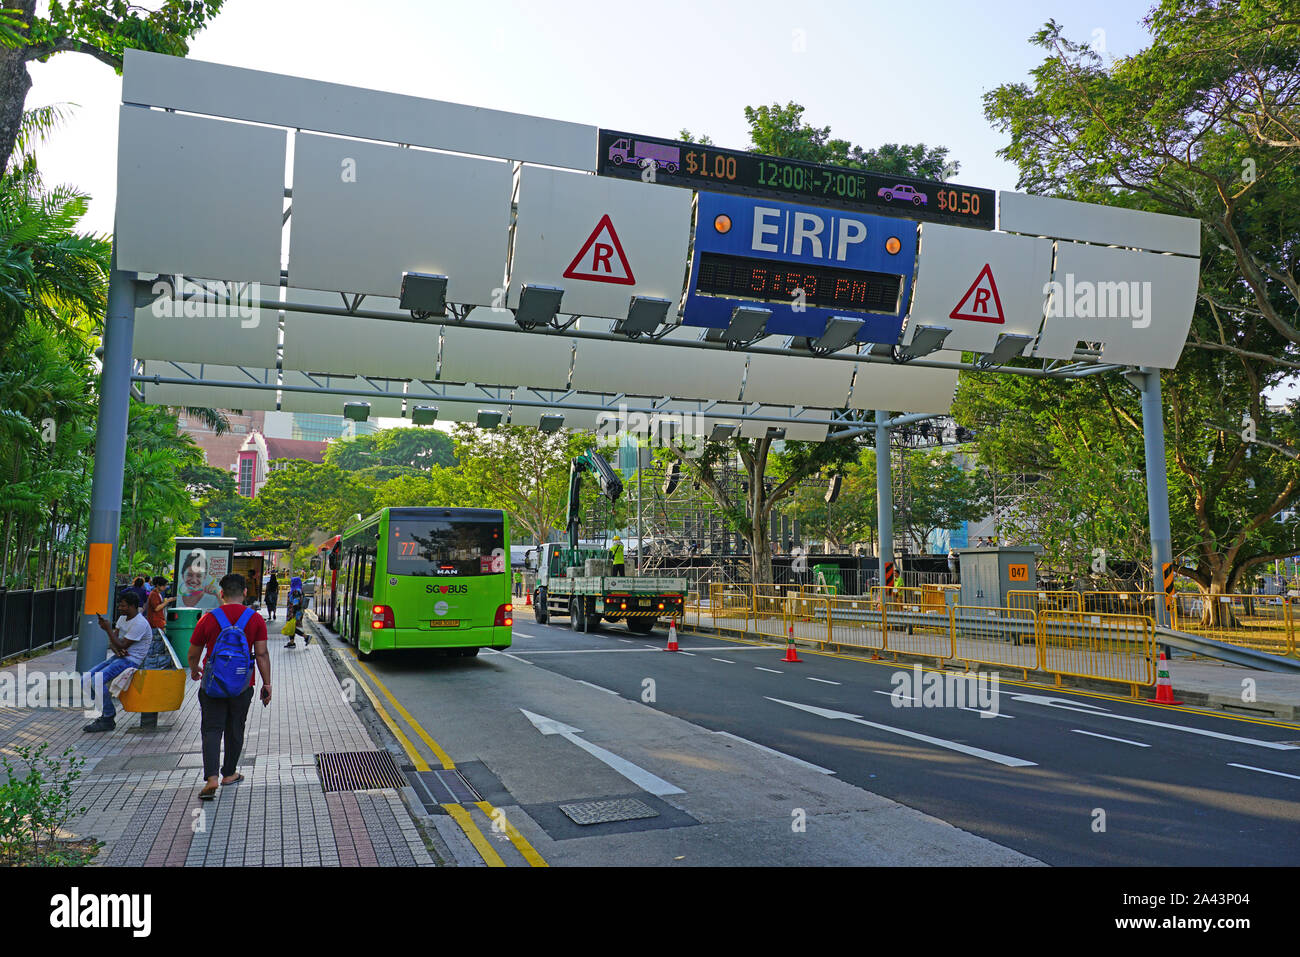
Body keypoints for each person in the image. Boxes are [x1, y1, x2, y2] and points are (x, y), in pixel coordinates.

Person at [188, 573, 271, 800]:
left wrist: (195, 670)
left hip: (212, 684)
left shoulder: (208, 619)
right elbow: (261, 654)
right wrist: (268, 684)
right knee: (236, 727)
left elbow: (194, 652)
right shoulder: (255, 619)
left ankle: (212, 778)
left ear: (221, 594)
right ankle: (229, 773)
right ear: (245, 592)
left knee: (212, 729)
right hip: (243, 685)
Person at [83, 591, 153, 732]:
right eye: (120, 605)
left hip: (132, 660)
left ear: (133, 606)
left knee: (97, 680)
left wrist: (108, 629)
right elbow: (114, 643)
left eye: (124, 606)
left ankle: (108, 717)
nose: (120, 608)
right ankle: (104, 713)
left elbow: (122, 644)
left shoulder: (140, 623)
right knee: (85, 679)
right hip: (120, 657)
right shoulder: (122, 619)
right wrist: (116, 649)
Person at [145, 576, 174, 645]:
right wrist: (167, 602)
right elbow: (156, 608)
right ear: (158, 585)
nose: (165, 587)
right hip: (156, 621)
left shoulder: (157, 594)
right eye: (164, 585)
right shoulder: (154, 594)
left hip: (158, 620)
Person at [285, 576, 306, 648]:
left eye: (292, 582)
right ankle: (292, 642)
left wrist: (293, 613)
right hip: (296, 611)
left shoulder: (296, 591)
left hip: (294, 612)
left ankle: (306, 637)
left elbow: (295, 603)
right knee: (292, 626)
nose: (291, 583)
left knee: (292, 627)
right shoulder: (299, 590)